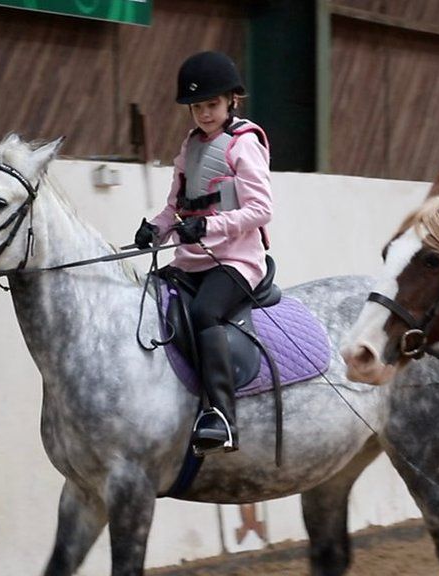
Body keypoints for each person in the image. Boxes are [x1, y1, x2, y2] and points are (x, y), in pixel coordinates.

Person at [135, 50, 273, 455]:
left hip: (236, 262)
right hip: (190, 259)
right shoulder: (191, 145)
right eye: (197, 107)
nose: (204, 114)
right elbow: (175, 206)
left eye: (211, 105)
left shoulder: (244, 145)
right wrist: (155, 228)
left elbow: (261, 210)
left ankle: (222, 415)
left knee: (203, 313)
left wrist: (210, 225)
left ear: (232, 100)